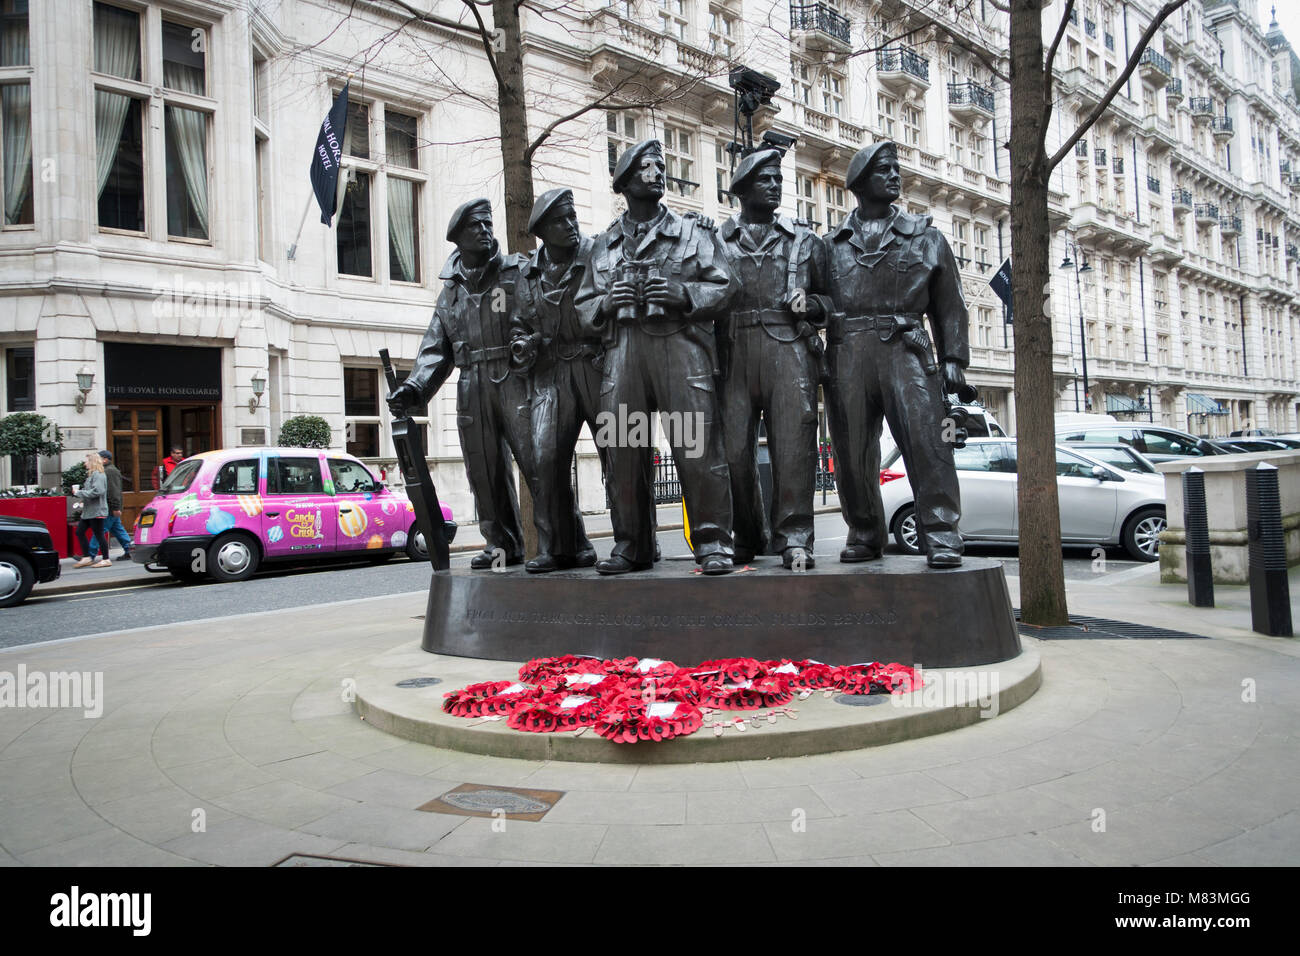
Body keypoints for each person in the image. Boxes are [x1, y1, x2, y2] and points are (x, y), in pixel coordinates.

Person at [575, 138, 737, 575]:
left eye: (660, 165)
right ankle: (632, 545)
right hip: (624, 352)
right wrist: (608, 302)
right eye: (647, 167)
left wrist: (684, 293)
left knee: (696, 447)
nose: (657, 172)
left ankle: (713, 542)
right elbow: (584, 307)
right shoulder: (603, 246)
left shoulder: (693, 232)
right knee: (623, 452)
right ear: (625, 182)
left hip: (679, 349)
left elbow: (726, 286)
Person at [824, 140, 970, 569]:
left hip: (907, 349)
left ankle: (941, 532)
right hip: (847, 351)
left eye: (895, 170)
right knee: (851, 450)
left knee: (928, 443)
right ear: (859, 183)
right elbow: (813, 299)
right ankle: (865, 532)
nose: (894, 176)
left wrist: (953, 360)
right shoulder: (831, 244)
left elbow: (950, 305)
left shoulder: (927, 238)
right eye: (884, 170)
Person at [387, 198, 531, 569]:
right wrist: (414, 387)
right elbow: (436, 348)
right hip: (472, 384)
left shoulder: (515, 273)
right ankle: (501, 546)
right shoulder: (450, 293)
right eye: (476, 227)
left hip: (514, 376)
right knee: (483, 471)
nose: (485, 231)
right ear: (458, 239)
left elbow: (538, 318)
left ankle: (558, 542)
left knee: (538, 463)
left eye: (488, 224)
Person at [716, 148, 832, 570]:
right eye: (766, 179)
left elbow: (834, 302)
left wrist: (813, 304)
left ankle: (795, 538)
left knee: (794, 448)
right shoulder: (717, 242)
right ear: (742, 188)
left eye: (778, 179)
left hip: (788, 348)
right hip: (734, 352)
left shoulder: (803, 240)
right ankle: (747, 534)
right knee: (732, 452)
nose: (776, 185)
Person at [508, 188, 600, 572]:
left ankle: (639, 542)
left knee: (622, 452)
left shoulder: (597, 255)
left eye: (572, 216)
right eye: (561, 221)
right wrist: (521, 344)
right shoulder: (527, 274)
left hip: (595, 366)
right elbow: (517, 323)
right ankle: (558, 547)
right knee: (545, 459)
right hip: (551, 375)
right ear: (543, 230)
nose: (571, 225)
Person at [88, 450, 132, 561]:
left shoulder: (110, 471)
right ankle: (130, 549)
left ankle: (89, 554)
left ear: (105, 459)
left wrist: (115, 507)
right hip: (110, 506)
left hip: (109, 507)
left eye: (98, 458)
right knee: (117, 529)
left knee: (100, 530)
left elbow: (114, 491)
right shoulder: (106, 470)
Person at [71, 452, 113, 569]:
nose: (85, 463)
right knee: (80, 531)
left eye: (87, 461)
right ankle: (87, 557)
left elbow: (98, 491)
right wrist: (82, 500)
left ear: (93, 462)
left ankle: (106, 559)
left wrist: (79, 493)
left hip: (96, 510)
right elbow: (92, 491)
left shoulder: (98, 475)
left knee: (99, 534)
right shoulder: (92, 475)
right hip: (89, 511)